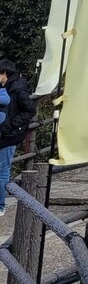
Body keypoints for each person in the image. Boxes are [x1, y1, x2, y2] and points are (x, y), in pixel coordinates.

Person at [0, 59, 34, 216]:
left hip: (9, 135)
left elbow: (29, 110)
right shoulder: (5, 87)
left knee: (3, 169)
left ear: (4, 73)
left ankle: (1, 204)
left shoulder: (18, 88)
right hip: (4, 133)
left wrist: (10, 125)